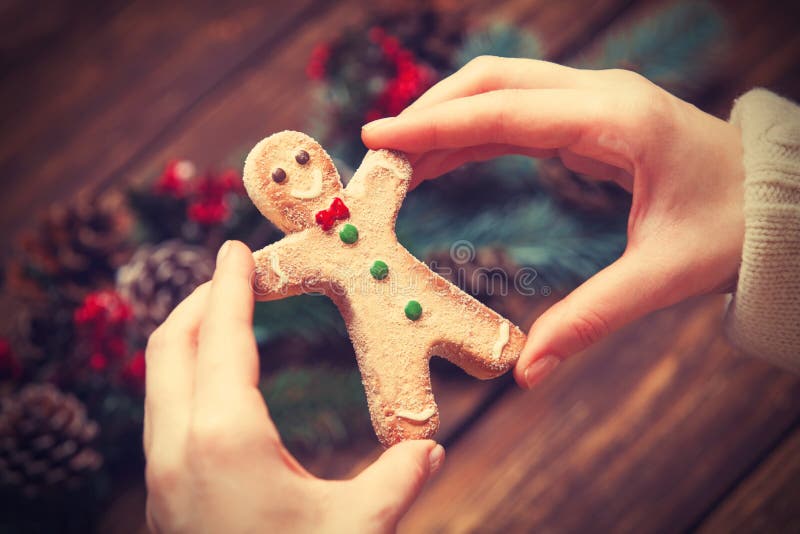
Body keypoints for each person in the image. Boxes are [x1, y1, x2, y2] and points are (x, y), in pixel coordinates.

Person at [144, 58, 799, 532]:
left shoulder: (370, 191)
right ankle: (405, 409)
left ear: (324, 160)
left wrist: (768, 203)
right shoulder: (301, 251)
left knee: (481, 329)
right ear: (274, 193)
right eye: (284, 175)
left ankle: (489, 341)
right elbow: (261, 270)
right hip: (380, 322)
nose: (299, 177)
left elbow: (394, 157)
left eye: (304, 162)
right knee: (400, 386)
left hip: (427, 293)